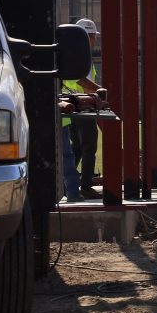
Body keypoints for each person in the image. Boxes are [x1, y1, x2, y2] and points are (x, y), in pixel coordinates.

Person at [61, 17, 103, 199]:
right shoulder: (80, 56)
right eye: (93, 36)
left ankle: (68, 183)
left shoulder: (71, 53)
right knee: (89, 147)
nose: (95, 40)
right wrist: (99, 90)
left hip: (72, 110)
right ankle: (85, 186)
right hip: (80, 107)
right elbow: (81, 80)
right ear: (86, 36)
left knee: (76, 148)